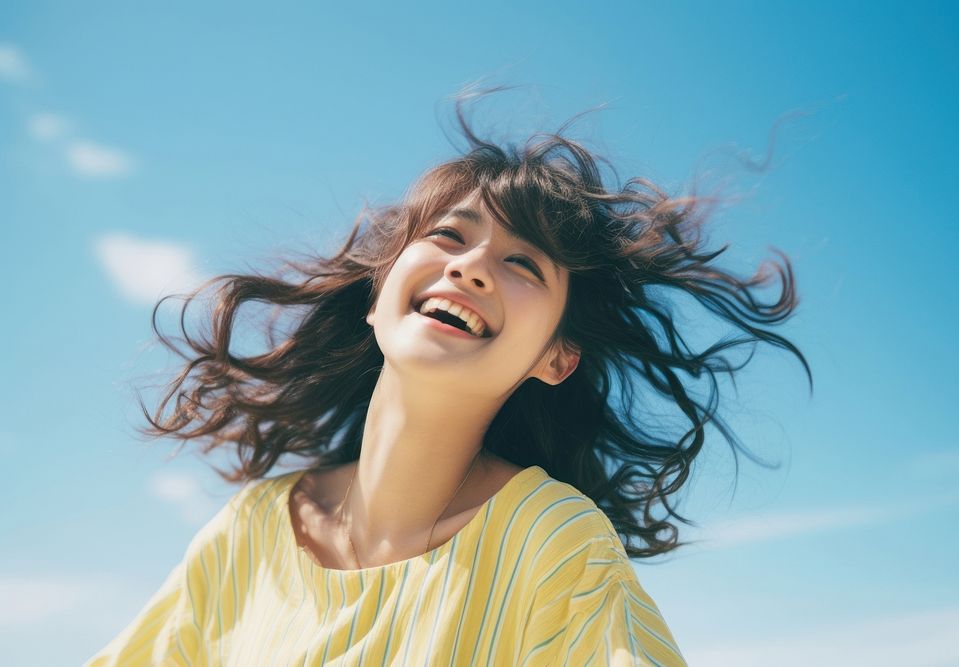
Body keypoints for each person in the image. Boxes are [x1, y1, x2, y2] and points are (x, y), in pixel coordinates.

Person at [84, 87, 811, 666]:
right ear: (377, 294)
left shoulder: (552, 543)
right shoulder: (251, 531)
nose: (470, 266)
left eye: (522, 263)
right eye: (447, 236)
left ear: (556, 357)